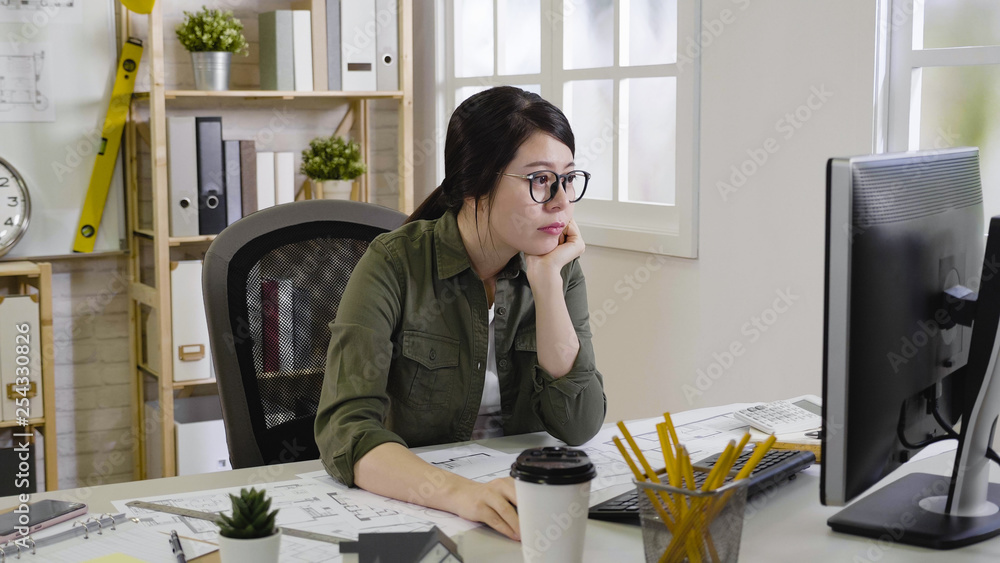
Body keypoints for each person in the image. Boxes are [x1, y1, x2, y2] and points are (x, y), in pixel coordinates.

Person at [314, 86, 606, 540]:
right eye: (539, 180)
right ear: (474, 185)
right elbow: (345, 429)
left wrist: (547, 287)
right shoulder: (394, 263)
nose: (561, 202)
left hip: (520, 509)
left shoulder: (558, 266)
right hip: (418, 509)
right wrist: (462, 494)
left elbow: (579, 425)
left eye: (567, 178)